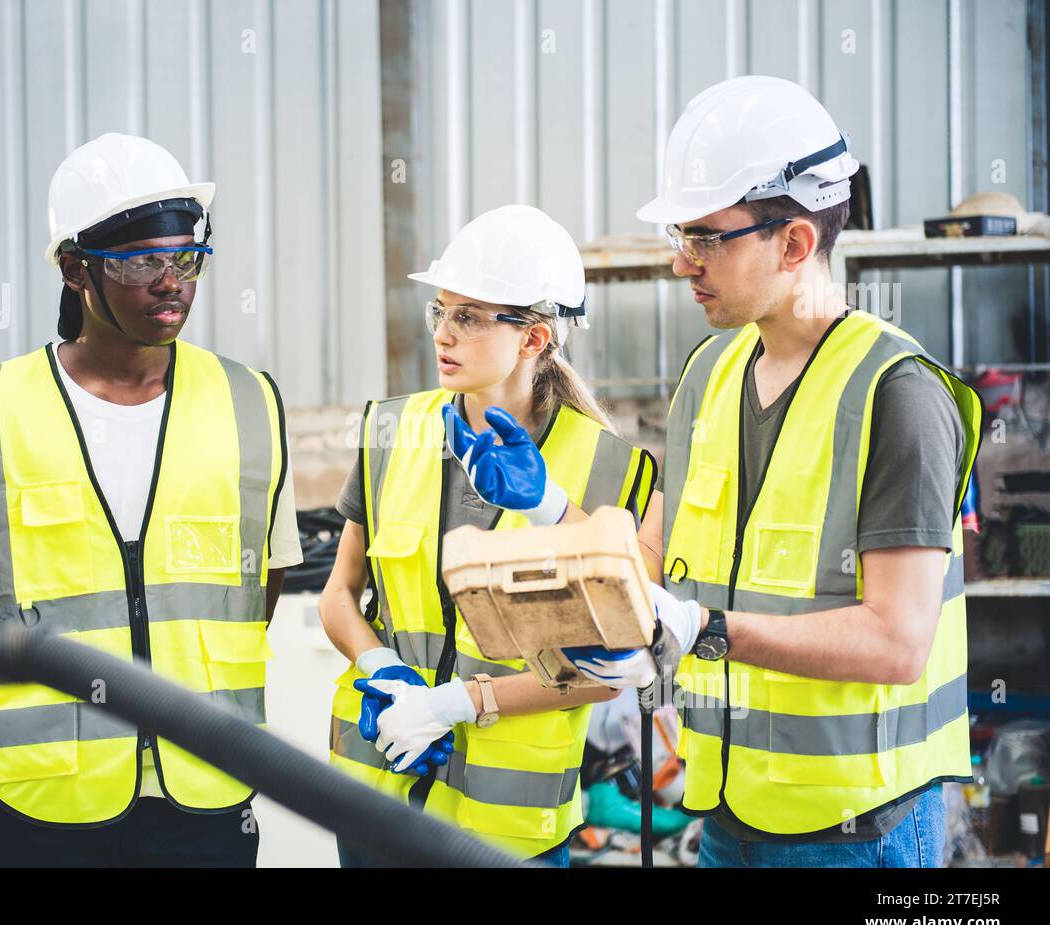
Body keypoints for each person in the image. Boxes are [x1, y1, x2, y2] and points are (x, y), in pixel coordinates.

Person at [463, 77, 982, 868]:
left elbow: (897, 642)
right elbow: (646, 563)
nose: (680, 263)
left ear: (796, 243)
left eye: (707, 238)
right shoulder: (710, 374)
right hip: (728, 812)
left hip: (855, 829)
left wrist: (702, 630)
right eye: (682, 234)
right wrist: (545, 504)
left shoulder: (897, 395)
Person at [0, 133, 301, 867]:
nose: (172, 282)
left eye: (185, 257)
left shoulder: (249, 403)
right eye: (141, 261)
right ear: (74, 268)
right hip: (43, 809)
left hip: (208, 794)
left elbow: (259, 593)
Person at [318, 205, 658, 866]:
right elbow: (338, 595)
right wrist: (380, 666)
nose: (443, 333)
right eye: (440, 312)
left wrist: (460, 703)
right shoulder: (391, 431)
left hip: (506, 830)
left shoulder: (611, 469)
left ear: (534, 339)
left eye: (469, 316)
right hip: (375, 797)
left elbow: (618, 664)